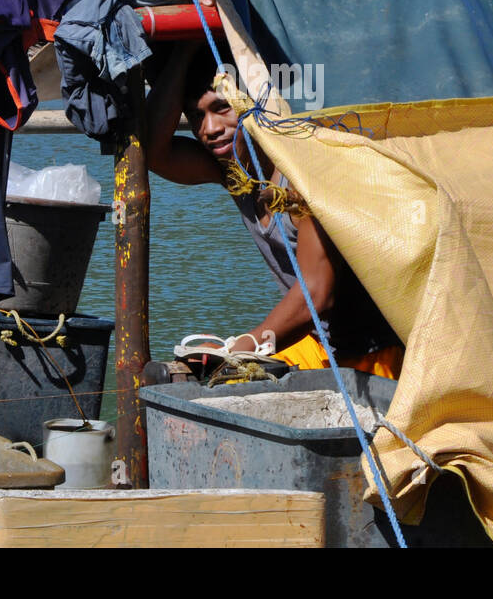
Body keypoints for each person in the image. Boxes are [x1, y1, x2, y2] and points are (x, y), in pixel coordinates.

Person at [145, 40, 403, 379]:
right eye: (196, 115)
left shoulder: (300, 175)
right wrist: (184, 51)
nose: (208, 130)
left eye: (222, 108)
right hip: (316, 345)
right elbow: (152, 150)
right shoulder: (235, 173)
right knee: (185, 380)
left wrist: (240, 347)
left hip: (375, 356)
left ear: (253, 104)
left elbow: (317, 291)